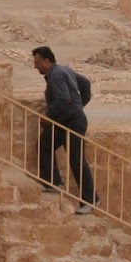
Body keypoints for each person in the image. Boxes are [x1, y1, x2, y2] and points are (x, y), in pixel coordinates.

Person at [32, 45, 98, 214]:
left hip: (72, 122)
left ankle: (90, 200)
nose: (35, 66)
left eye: (38, 63)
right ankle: (53, 182)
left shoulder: (56, 76)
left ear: (47, 61)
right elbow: (85, 84)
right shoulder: (63, 70)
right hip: (64, 121)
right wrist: (79, 106)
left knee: (77, 160)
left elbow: (63, 99)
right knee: (45, 144)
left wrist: (49, 115)